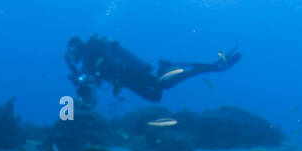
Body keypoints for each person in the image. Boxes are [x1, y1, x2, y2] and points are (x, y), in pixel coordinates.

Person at [64, 34, 241, 109]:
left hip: (130, 74)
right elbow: (97, 78)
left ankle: (208, 67)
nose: (73, 57)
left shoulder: (92, 51)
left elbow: (112, 64)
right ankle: (204, 67)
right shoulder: (89, 58)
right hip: (128, 78)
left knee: (162, 86)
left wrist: (116, 79)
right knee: (158, 92)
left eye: (72, 52)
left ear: (77, 46)